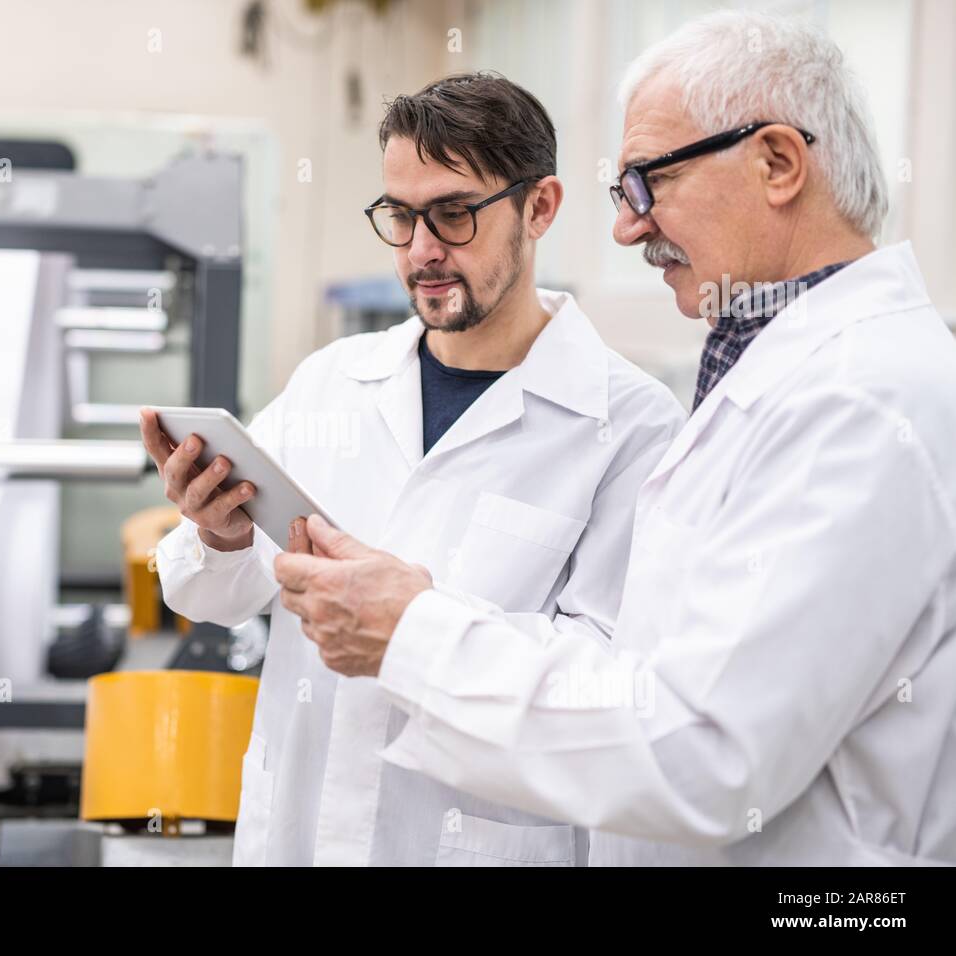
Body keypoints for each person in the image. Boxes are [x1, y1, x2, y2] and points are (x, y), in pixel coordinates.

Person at [273, 10, 956, 865]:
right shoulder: (779, 375)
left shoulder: (861, 401)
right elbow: (654, 683)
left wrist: (414, 634)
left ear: (777, 163)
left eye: (646, 184)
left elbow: (704, 751)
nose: (628, 229)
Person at [140, 72, 684, 866]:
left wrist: (418, 622)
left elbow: (612, 693)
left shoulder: (630, 428)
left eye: (455, 214)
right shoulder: (333, 382)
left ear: (540, 207)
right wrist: (217, 536)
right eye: (401, 215)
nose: (423, 250)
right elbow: (218, 597)